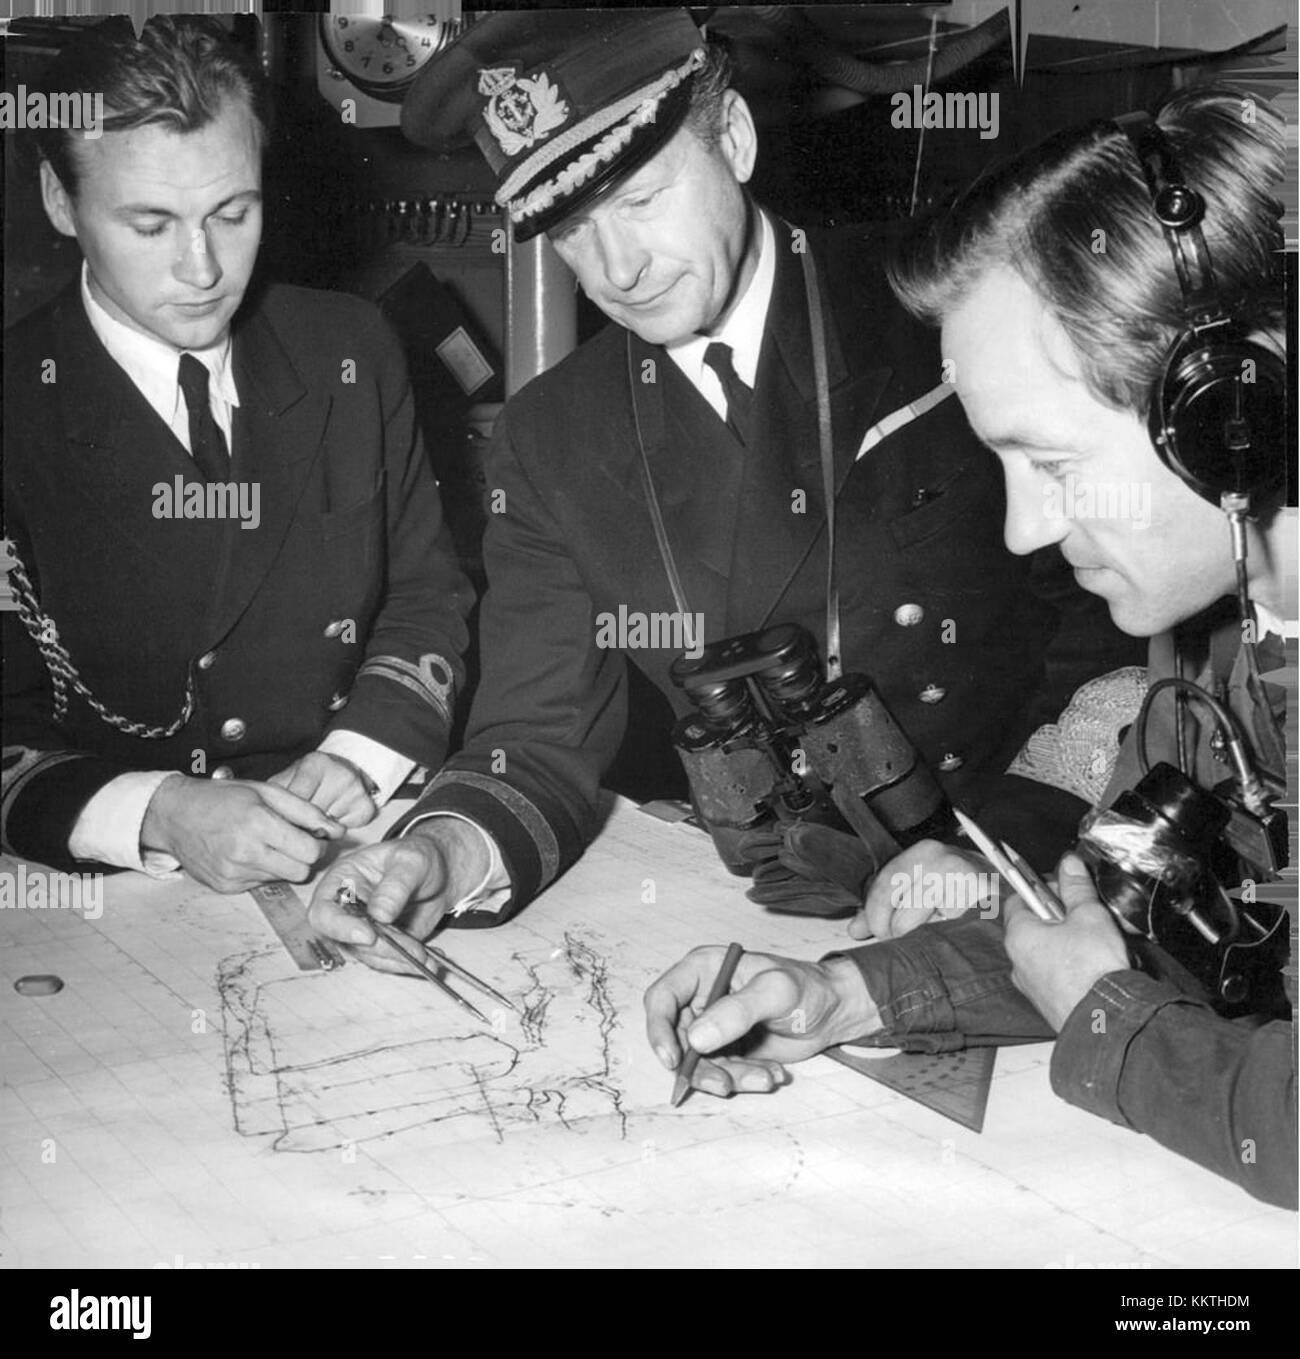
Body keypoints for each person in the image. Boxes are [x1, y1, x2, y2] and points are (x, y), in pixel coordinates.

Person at [308, 7, 1138, 966]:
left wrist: (997, 847)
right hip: (751, 916)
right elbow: (534, 736)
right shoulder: (552, 439)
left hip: (1029, 877)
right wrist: (438, 853)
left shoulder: (945, 306)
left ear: (734, 140)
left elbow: (1104, 636)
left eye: (643, 199)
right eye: (570, 228)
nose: (618, 268)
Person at [645, 87, 1295, 1209]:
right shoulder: (1220, 652)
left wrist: (1115, 1029)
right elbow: (1113, 932)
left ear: (1224, 410)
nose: (1021, 528)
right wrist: (848, 993)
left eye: (1046, 460)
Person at [2, 16, 472, 893]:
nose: (203, 267)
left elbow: (426, 591)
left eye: (234, 212)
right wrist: (157, 810)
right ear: (60, 203)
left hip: (354, 830)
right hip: (111, 885)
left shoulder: (351, 350)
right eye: (150, 224)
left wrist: (359, 755)